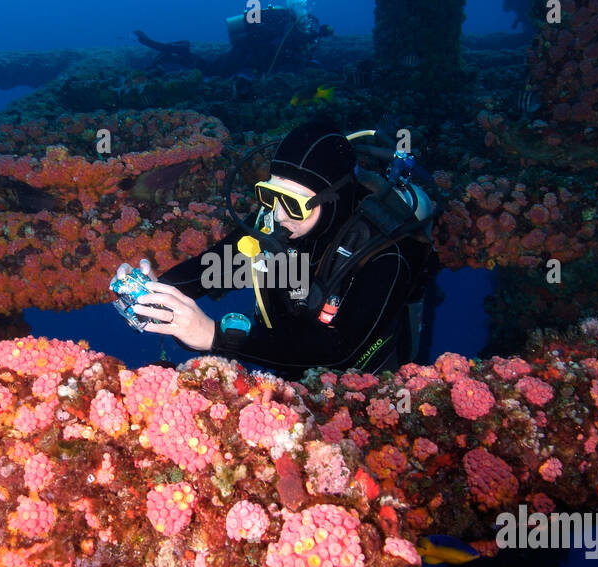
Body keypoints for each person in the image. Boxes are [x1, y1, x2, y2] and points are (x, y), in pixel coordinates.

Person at [116, 116, 436, 381]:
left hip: (362, 383)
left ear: (332, 200)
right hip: (285, 354)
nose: (278, 215)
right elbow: (216, 267)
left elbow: (340, 350)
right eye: (270, 195)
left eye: (293, 204)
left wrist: (213, 334)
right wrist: (160, 290)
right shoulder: (274, 220)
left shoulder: (386, 252)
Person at [133, 5, 332, 77]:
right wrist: (314, 36)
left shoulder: (291, 33)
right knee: (212, 70)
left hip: (251, 56)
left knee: (214, 69)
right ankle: (177, 51)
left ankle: (174, 55)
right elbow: (284, 49)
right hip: (245, 52)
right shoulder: (289, 33)